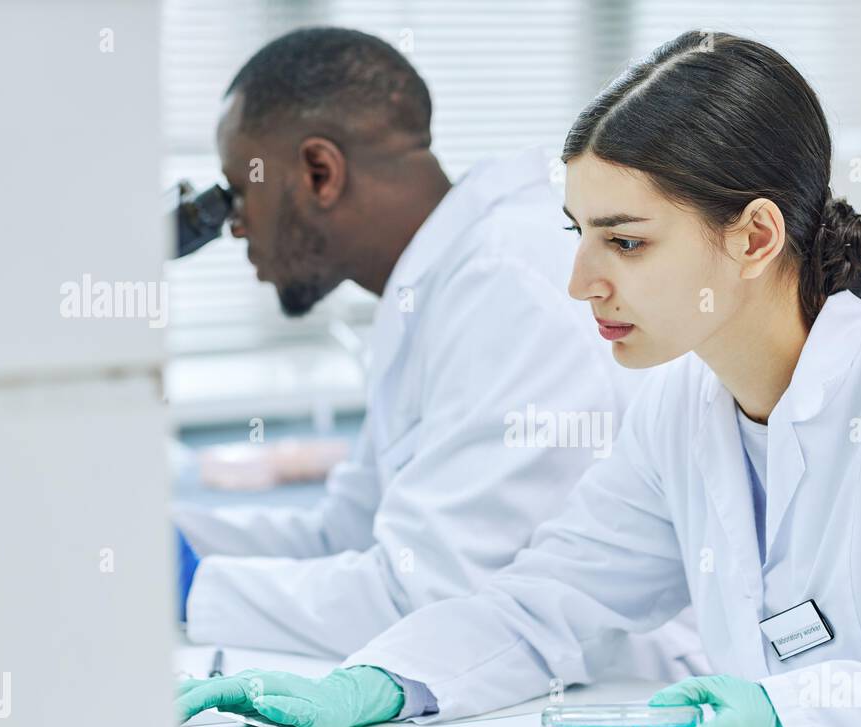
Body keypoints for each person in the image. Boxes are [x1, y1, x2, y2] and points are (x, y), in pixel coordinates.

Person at [177, 31, 861, 727]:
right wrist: (376, 682)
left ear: (754, 236)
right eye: (579, 235)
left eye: (625, 241)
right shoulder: (682, 410)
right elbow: (542, 605)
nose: (580, 281)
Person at [174, 27, 704, 692]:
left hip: (620, 700)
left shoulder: (505, 286)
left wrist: (188, 585)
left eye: (239, 190)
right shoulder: (434, 288)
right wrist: (168, 544)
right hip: (503, 691)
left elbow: (432, 598)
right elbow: (348, 534)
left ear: (319, 173)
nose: (234, 225)